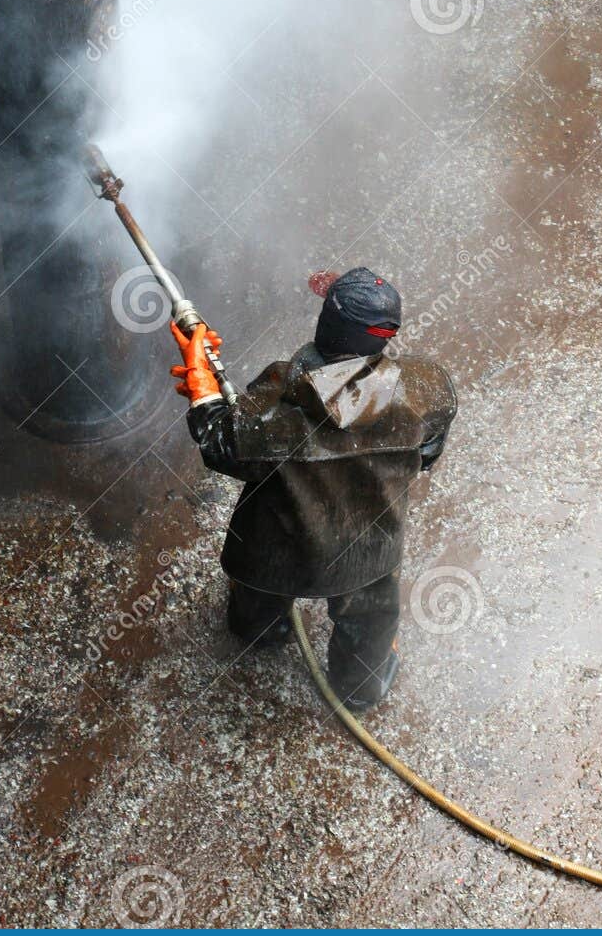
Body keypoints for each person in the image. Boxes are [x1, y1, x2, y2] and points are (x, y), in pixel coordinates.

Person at [169, 267, 457, 710]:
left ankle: (262, 634)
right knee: (370, 616)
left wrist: (203, 387)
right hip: (369, 549)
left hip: (277, 547)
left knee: (259, 596)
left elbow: (222, 445)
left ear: (327, 326)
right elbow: (429, 454)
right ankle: (360, 688)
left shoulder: (277, 394)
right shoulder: (426, 387)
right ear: (384, 335)